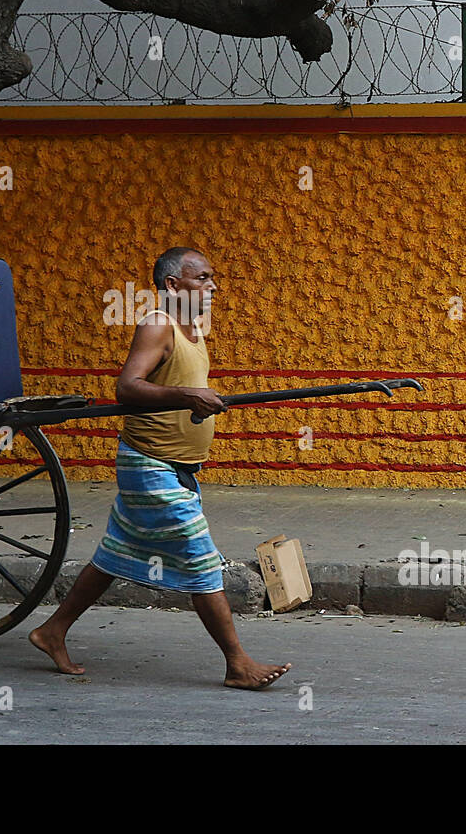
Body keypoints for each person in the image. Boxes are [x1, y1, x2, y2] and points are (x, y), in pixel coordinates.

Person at [30, 247, 292, 690]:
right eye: (202, 278)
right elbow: (128, 387)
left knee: (116, 554)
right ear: (173, 285)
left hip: (177, 468)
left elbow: (173, 385)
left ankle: (52, 631)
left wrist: (191, 397)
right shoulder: (158, 324)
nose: (213, 287)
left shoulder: (193, 329)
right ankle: (237, 664)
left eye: (213, 278)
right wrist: (189, 396)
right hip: (150, 467)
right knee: (202, 560)